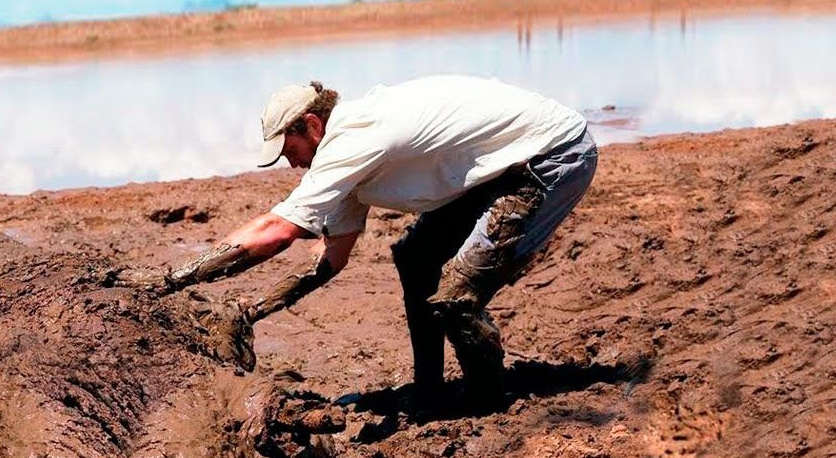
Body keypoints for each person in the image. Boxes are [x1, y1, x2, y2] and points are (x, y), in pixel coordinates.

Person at [111, 75, 597, 410]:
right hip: (502, 167)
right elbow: (333, 260)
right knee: (414, 258)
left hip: (550, 158)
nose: (291, 163)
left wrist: (168, 280)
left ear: (312, 126)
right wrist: (252, 311)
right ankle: (430, 391)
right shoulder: (347, 157)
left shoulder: (353, 141)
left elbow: (278, 231)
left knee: (455, 297)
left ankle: (486, 402)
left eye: (290, 150)